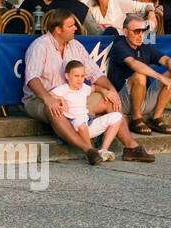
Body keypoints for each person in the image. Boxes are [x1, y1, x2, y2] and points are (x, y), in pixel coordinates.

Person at [21, 10, 154, 163]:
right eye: (70, 26)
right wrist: (48, 99)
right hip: (39, 98)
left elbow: (95, 74)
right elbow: (32, 79)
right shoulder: (40, 46)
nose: (75, 28)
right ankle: (88, 150)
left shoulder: (75, 45)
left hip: (75, 95)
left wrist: (111, 91)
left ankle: (131, 147)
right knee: (55, 107)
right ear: (58, 30)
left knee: (110, 100)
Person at [106, 14, 171, 134]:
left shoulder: (144, 46)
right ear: (125, 32)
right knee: (140, 76)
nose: (140, 35)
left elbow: (168, 60)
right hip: (123, 102)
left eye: (142, 31)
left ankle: (155, 118)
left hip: (144, 99)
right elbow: (133, 64)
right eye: (136, 31)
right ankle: (136, 119)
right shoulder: (119, 45)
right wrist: (161, 78)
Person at [51, 60, 127, 164]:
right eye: (76, 76)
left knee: (117, 116)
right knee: (81, 122)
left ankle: (102, 151)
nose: (79, 79)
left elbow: (95, 87)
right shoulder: (63, 89)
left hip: (87, 124)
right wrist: (60, 99)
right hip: (73, 128)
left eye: (82, 76)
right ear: (67, 76)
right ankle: (90, 151)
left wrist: (103, 91)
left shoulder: (84, 88)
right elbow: (49, 95)